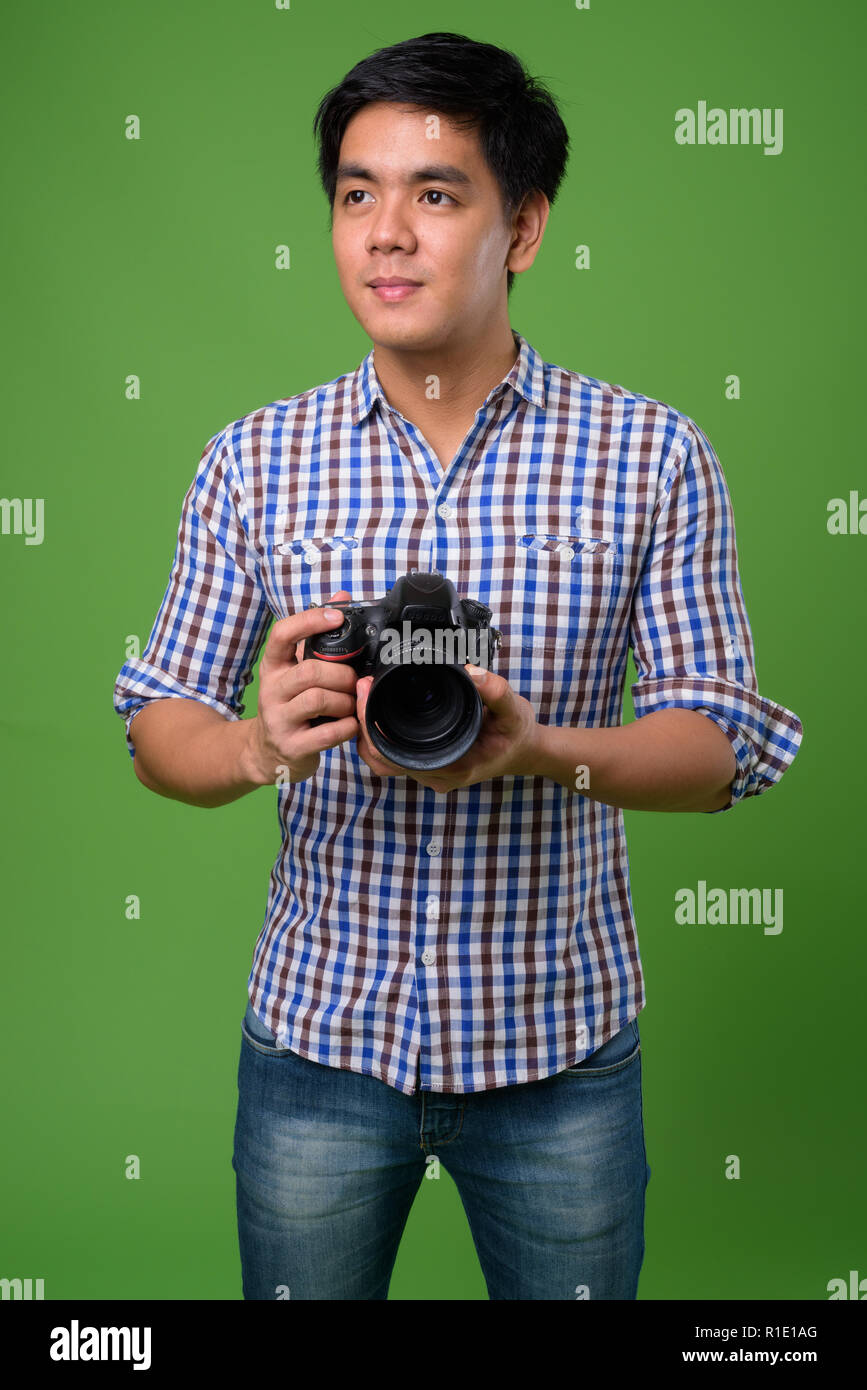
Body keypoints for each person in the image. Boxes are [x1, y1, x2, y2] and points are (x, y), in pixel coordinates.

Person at [112, 32, 803, 1300]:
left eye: (435, 194)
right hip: (319, 1044)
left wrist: (538, 750)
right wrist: (259, 740)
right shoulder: (252, 462)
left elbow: (723, 748)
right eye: (356, 193)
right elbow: (159, 726)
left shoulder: (651, 456)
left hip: (560, 1054)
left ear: (525, 228)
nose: (386, 232)